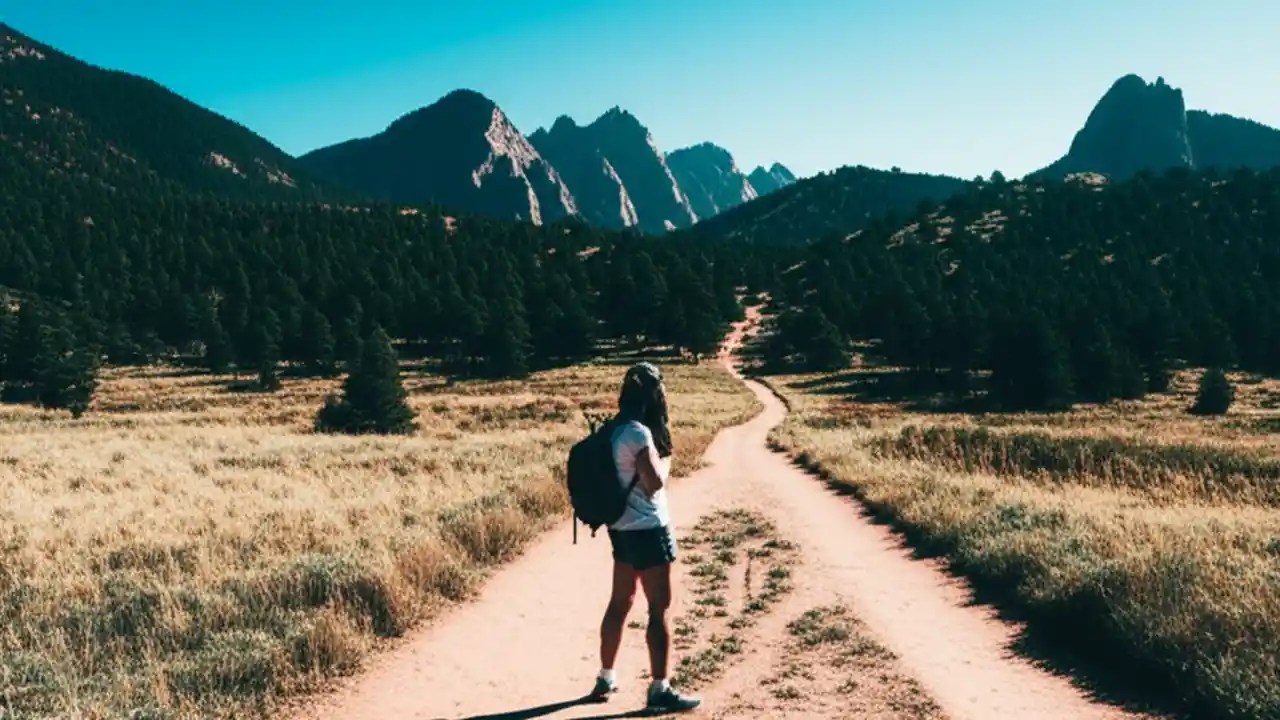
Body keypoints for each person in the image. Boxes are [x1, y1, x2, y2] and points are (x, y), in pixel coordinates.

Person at [589, 362, 701, 712]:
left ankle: (605, 677)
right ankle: (660, 689)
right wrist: (663, 465)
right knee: (659, 609)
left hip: (620, 529)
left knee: (619, 603)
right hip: (649, 530)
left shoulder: (612, 430)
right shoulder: (638, 434)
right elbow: (653, 484)